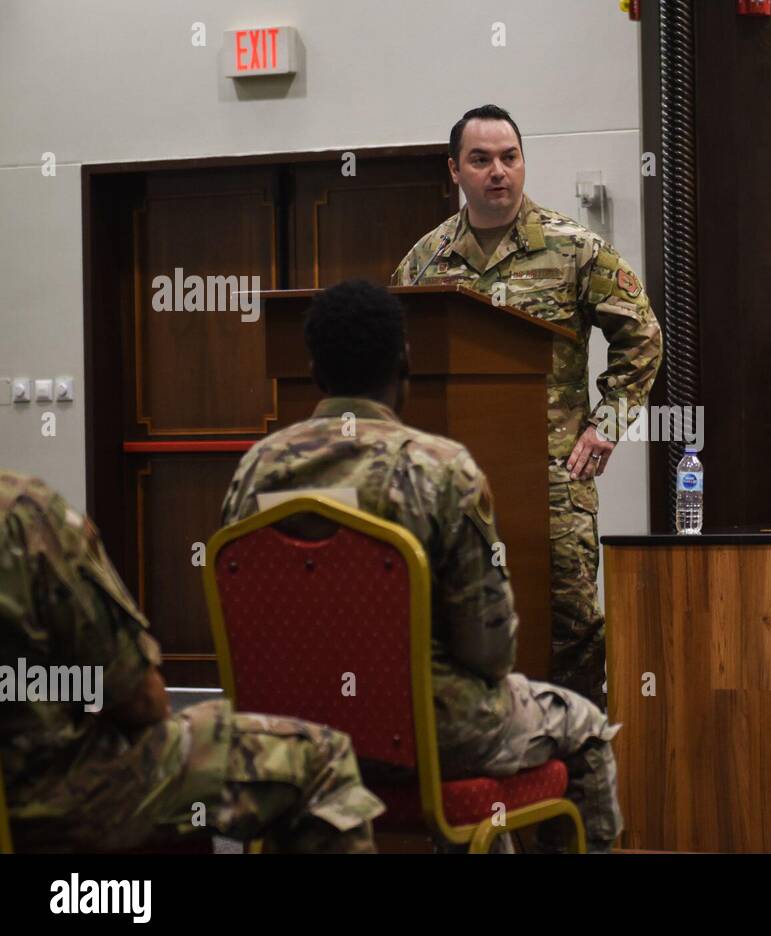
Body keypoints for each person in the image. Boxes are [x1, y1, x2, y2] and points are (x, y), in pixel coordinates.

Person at [219, 279, 623, 851]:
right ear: (404, 361)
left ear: (314, 369)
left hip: (291, 734)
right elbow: (488, 650)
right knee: (582, 728)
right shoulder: (439, 469)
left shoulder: (254, 471)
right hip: (427, 730)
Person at [391, 103, 662, 711]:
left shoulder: (574, 248)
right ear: (454, 171)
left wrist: (607, 424)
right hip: (452, 485)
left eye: (509, 158)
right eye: (481, 159)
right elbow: (397, 355)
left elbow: (641, 333)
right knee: (449, 619)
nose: (498, 172)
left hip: (552, 479)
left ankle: (577, 764)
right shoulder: (425, 260)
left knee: (569, 626)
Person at [0, 470, 383, 852]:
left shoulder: (258, 468)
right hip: (51, 806)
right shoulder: (23, 514)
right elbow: (142, 701)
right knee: (318, 759)